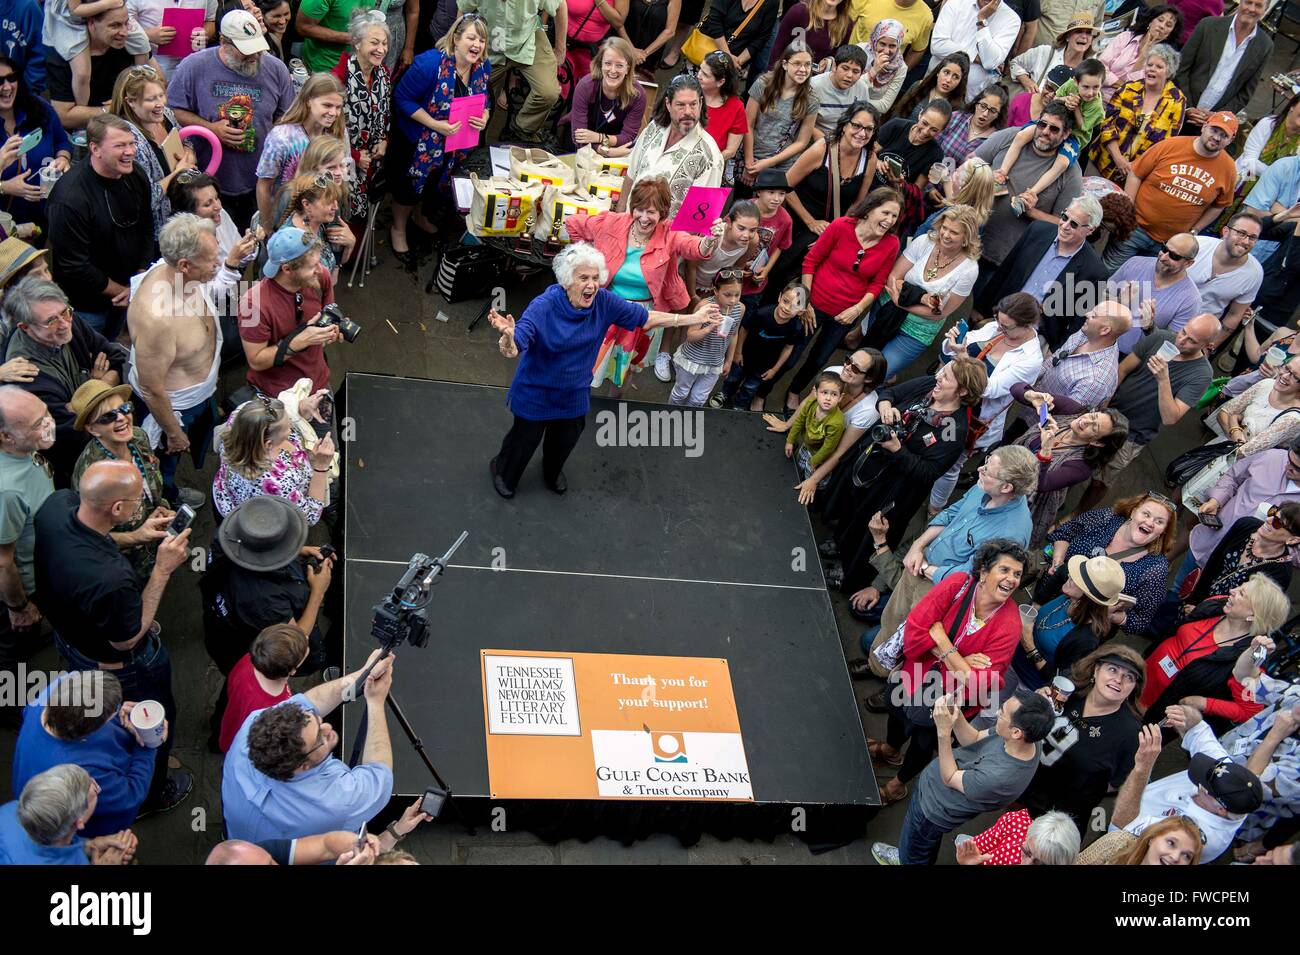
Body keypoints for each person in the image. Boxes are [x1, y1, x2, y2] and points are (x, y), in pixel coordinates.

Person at [487, 243, 720, 498]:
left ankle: (551, 472)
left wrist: (692, 319)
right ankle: (503, 471)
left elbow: (646, 318)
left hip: (573, 391)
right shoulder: (544, 305)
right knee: (524, 440)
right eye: (583, 278)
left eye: (596, 278)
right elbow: (517, 343)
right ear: (567, 281)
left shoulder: (603, 301)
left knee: (564, 440)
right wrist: (509, 340)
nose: (591, 285)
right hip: (536, 390)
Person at [33, 460, 194, 812]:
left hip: (71, 638)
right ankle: (152, 792)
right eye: (136, 502)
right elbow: (129, 638)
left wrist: (135, 536)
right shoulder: (113, 580)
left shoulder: (56, 506)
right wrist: (163, 569)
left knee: (98, 709)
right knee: (149, 720)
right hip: (122, 662)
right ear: (118, 508)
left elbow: (93, 537)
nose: (140, 508)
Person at [869, 540, 1034, 804]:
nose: (1011, 579)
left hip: (948, 697)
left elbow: (983, 685)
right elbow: (915, 631)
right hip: (916, 673)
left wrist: (945, 645)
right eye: (1004, 570)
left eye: (1017, 574)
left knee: (923, 743)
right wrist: (964, 663)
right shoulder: (957, 585)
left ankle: (898, 783)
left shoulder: (1010, 624)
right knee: (897, 712)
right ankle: (890, 750)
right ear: (983, 572)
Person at [822, 357, 987, 595]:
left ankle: (850, 576)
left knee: (871, 532)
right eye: (942, 371)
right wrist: (886, 407)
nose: (938, 377)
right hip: (874, 467)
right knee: (853, 509)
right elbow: (890, 394)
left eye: (946, 376)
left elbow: (928, 473)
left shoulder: (954, 430)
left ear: (962, 390)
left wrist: (898, 450)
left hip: (895, 490)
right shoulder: (930, 385)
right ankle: (840, 543)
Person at [860, 447, 1038, 666]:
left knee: (912, 640)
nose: (979, 469)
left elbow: (969, 575)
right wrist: (918, 546)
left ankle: (888, 680)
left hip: (938, 588)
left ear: (1007, 487)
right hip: (920, 565)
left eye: (987, 470)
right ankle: (877, 663)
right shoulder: (986, 487)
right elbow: (951, 513)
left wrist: (924, 569)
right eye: (986, 462)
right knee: (892, 621)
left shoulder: (1012, 533)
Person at [566, 179, 721, 394]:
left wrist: (712, 239)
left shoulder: (670, 234)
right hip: (606, 308)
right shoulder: (612, 222)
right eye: (639, 210)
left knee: (626, 368)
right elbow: (573, 223)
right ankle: (577, 402)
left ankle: (613, 404)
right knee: (589, 361)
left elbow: (694, 248)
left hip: (643, 316)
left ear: (663, 213)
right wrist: (582, 263)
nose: (644, 217)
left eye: (651, 212)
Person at [222, 650, 394, 841]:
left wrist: (363, 674)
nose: (328, 727)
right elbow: (379, 774)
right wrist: (376, 703)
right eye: (320, 737)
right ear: (302, 765)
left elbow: (312, 701)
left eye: (317, 720)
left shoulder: (253, 725)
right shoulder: (338, 801)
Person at [872, 688, 1055, 865]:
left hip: (933, 809)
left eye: (1002, 713)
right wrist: (956, 713)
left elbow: (949, 778)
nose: (997, 711)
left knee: (915, 849)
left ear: (1016, 733)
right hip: (934, 793)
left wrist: (943, 732)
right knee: (924, 846)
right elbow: (974, 738)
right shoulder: (1026, 739)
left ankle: (906, 860)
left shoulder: (998, 777)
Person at [168, 9, 296, 231]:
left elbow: (288, 117)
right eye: (245, 51)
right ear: (223, 41)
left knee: (255, 241)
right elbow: (174, 111)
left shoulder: (275, 68)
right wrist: (212, 129)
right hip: (209, 181)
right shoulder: (194, 66)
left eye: (257, 49)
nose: (254, 56)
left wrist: (272, 138)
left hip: (260, 181)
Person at [126, 213, 222, 509]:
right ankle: (167, 497)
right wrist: (173, 431)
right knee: (167, 458)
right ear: (184, 265)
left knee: (200, 435)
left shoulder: (185, 275)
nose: (217, 264)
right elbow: (152, 389)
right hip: (176, 406)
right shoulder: (157, 319)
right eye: (212, 260)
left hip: (201, 393)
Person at [1077, 316, 1218, 511]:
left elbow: (1171, 417)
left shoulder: (1202, 374)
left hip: (1134, 434)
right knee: (1077, 458)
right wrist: (1103, 406)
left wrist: (1163, 379)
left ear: (1208, 345)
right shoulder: (1160, 338)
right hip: (1108, 414)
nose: (1181, 340)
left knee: (1101, 480)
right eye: (1184, 331)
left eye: (1192, 340)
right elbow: (1123, 369)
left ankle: (1076, 515)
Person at [0, 278, 127, 486]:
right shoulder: (25, 376)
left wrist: (93, 391)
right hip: (72, 465)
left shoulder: (69, 320)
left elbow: (115, 356)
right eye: (51, 321)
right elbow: (73, 431)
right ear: (24, 327)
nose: (64, 324)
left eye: (66, 311)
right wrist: (99, 385)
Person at [387, 12, 490, 262]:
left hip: (455, 143)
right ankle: (398, 227)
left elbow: (485, 97)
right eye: (471, 38)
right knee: (410, 188)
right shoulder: (429, 64)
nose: (477, 45)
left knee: (435, 185)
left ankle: (419, 215)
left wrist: (485, 115)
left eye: (482, 40)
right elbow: (402, 98)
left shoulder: (483, 66)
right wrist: (435, 124)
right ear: (456, 37)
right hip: (419, 142)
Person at [928, 293, 1044, 512]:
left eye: (1007, 327)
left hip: (969, 418)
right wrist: (950, 344)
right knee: (926, 439)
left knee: (950, 463)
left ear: (1027, 325)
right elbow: (956, 349)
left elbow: (988, 388)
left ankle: (935, 508)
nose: (999, 329)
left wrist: (962, 358)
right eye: (998, 321)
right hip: (942, 398)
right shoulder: (995, 327)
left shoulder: (1030, 359)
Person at [784, 188, 899, 409]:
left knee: (818, 359)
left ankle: (794, 391)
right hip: (814, 305)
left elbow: (877, 283)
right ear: (869, 209)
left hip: (844, 316)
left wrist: (857, 309)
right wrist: (805, 300)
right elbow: (810, 262)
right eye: (885, 213)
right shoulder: (841, 226)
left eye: (894, 216)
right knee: (791, 354)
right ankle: (762, 391)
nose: (889, 220)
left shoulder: (891, 244)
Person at [45, 114, 155, 340]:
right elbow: (75, 265)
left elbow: (146, 226)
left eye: (132, 143)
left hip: (130, 290)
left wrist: (139, 279)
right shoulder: (69, 199)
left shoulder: (135, 175)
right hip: (88, 306)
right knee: (89, 360)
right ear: (95, 149)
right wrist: (124, 291)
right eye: (120, 146)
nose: (130, 151)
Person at [1111, 702, 1264, 862]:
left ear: (1220, 809)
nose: (1200, 782)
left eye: (1205, 786)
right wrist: (1185, 715)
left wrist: (1142, 768)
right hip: (1138, 798)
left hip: (1125, 847)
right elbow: (1197, 728)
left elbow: (1123, 825)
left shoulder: (1201, 835)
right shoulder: (1225, 773)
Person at [11, 671, 157, 835]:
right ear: (90, 731)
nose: (119, 710)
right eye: (114, 711)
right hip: (93, 828)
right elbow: (130, 795)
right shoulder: (81, 772)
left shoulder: (46, 700)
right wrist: (148, 743)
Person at [1142, 581, 1288, 731]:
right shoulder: (1215, 604)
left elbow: (1249, 711)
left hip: (1156, 712)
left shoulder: (1250, 657)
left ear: (1253, 615)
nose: (1232, 590)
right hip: (1138, 677)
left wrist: (1203, 703)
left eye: (1242, 593)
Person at [68, 380, 173, 583]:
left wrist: (161, 508)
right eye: (108, 417)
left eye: (125, 408)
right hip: (126, 560)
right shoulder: (93, 477)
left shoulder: (139, 438)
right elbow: (90, 537)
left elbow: (152, 476)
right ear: (93, 429)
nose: (122, 418)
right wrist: (137, 537)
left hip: (155, 540)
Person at [1102, 117, 1239, 271]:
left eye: (1224, 135)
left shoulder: (1229, 169)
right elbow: (1136, 173)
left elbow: (1220, 205)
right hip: (1135, 228)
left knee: (1142, 283)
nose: (1216, 137)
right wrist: (1128, 209)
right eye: (1214, 130)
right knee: (1107, 272)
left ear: (1230, 140)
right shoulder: (1172, 145)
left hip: (1171, 244)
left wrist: (1195, 230)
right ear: (1204, 127)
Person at [971, 101, 1081, 285]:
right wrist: (986, 176)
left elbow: (1065, 224)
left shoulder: (1070, 173)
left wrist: (1033, 213)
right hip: (967, 238)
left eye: (1054, 129)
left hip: (1004, 260)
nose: (1045, 131)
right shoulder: (1012, 137)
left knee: (979, 311)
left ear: (1066, 134)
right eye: (1042, 124)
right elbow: (970, 163)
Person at [976, 194, 1104, 351]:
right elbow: (1005, 269)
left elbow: (1079, 321)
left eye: (1074, 224)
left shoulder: (1095, 271)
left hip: (1034, 339)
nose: (1064, 226)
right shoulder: (1038, 230)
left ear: (1090, 229)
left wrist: (1056, 350)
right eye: (1064, 217)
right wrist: (980, 308)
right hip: (998, 318)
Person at [762, 347, 887, 503]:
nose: (847, 367)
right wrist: (787, 425)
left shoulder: (868, 410)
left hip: (829, 454)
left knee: (813, 489)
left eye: (855, 368)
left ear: (868, 379)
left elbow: (841, 451)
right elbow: (809, 402)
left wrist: (814, 479)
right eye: (848, 360)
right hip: (811, 441)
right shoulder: (834, 373)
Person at [776, 103, 878, 294]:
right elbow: (785, 185)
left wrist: (835, 232)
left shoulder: (869, 158)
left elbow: (858, 203)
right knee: (780, 274)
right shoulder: (821, 149)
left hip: (830, 229)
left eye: (869, 129)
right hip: (798, 222)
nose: (862, 133)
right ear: (845, 124)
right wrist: (811, 222)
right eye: (857, 126)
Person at [870, 203, 981, 378]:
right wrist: (923, 298)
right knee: (863, 362)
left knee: (878, 374)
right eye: (944, 227)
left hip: (917, 330)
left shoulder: (969, 270)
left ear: (966, 238)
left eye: (954, 232)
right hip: (886, 310)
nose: (945, 234)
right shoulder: (924, 242)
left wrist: (901, 301)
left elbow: (939, 313)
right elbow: (893, 278)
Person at [1044, 493, 1176, 636]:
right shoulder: (1107, 518)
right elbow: (1066, 531)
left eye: (1159, 522)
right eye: (1146, 514)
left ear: (1163, 532)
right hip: (1050, 591)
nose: (1150, 523)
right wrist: (1058, 560)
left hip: (1079, 627)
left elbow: (1141, 621)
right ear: (1133, 511)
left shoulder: (1156, 568)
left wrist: (1111, 615)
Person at [0, 385, 53, 730]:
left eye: (45, 413)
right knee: (10, 651)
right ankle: (11, 710)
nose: (49, 424)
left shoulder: (25, 450)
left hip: (40, 570)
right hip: (19, 588)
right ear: (6, 436)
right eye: (37, 423)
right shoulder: (6, 491)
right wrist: (19, 607)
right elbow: (2, 561)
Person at [238, 226, 343, 398]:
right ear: (287, 269)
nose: (320, 269)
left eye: (319, 262)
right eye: (312, 266)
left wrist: (331, 329)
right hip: (280, 395)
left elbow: (329, 312)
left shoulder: (320, 276)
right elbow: (256, 361)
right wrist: (300, 341)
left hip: (318, 383)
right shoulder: (251, 304)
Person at [1014, 406, 1129, 548]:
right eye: (1092, 416)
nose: (1086, 421)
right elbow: (1019, 391)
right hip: (1006, 468)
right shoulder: (1072, 411)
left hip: (1022, 499)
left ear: (1097, 442)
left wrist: (1046, 449)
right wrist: (1035, 397)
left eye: (1094, 428)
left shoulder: (1082, 467)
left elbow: (1041, 484)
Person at [213, 393, 335, 524]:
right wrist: (321, 467)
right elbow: (310, 516)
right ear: (268, 445)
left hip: (225, 495)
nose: (291, 425)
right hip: (255, 522)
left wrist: (301, 408)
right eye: (287, 426)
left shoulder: (242, 418)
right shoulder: (276, 484)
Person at [107, 63, 196, 240]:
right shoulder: (130, 143)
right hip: (153, 235)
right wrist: (179, 172)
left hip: (180, 218)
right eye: (151, 99)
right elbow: (147, 199)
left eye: (161, 95)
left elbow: (186, 139)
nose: (160, 104)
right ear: (130, 102)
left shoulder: (167, 115)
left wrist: (189, 154)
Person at [1173, 503, 1299, 623]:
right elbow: (1213, 563)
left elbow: (1247, 607)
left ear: (1293, 539)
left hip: (1218, 618)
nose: (1268, 520)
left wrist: (1202, 611)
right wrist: (1195, 601)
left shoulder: (1280, 574)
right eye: (1272, 512)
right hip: (1197, 598)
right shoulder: (1246, 525)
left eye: (1277, 523)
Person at [456, 0, 559, 144]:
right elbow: (462, 10)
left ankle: (522, 129)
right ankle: (467, 144)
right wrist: (461, 46)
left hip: (528, 39)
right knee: (470, 93)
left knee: (548, 92)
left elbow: (560, 7)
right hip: (490, 43)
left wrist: (560, 48)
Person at [621, 73, 722, 219]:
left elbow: (697, 222)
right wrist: (617, 223)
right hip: (629, 229)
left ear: (701, 103)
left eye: (693, 104)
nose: (688, 112)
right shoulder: (654, 128)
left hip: (668, 240)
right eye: (680, 105)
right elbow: (630, 177)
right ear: (668, 104)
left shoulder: (711, 155)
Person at [1013, 560, 1125, 688]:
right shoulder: (1069, 598)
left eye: (1077, 578)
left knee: (993, 705)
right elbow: (1060, 572)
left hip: (1024, 686)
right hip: (1008, 660)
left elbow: (1061, 681)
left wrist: (1030, 647)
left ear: (1088, 595)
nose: (1069, 576)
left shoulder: (1086, 640)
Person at [254, 74, 345, 227]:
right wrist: (268, 227)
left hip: (322, 221)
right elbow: (263, 186)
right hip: (286, 221)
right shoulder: (282, 137)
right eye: (327, 105)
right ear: (308, 100)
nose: (334, 113)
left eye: (338, 107)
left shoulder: (335, 133)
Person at [0, 764, 137, 865]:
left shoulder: (11, 810)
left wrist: (89, 845)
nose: (95, 784)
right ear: (79, 820)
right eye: (94, 791)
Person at [329, 10, 391, 228]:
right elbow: (329, 129)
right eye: (374, 42)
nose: (381, 49)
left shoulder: (383, 74)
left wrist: (384, 140)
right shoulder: (339, 77)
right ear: (356, 42)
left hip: (372, 160)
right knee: (344, 216)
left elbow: (385, 114)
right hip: (345, 163)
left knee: (364, 217)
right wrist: (354, 155)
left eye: (384, 43)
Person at [43, 7, 151, 131]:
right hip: (84, 135)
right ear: (91, 23)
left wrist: (134, 97)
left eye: (126, 23)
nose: (124, 32)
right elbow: (64, 116)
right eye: (115, 26)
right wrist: (112, 109)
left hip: (129, 128)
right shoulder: (64, 56)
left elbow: (157, 80)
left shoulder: (130, 44)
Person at [1091, 47, 1185, 190]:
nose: (1151, 69)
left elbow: (1165, 145)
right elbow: (1107, 125)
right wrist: (1119, 159)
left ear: (1169, 71)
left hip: (1135, 175)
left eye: (1159, 66)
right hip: (1102, 161)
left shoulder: (1177, 101)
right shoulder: (1128, 88)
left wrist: (1135, 168)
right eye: (1149, 65)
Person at [1175, 0, 1272, 135]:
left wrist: (1217, 117)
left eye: (1258, 5)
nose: (1251, 9)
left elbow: (1246, 93)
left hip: (1210, 127)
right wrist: (1188, 106)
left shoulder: (1265, 46)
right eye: (1248, 2)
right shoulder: (1208, 25)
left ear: (1265, 10)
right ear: (1240, 3)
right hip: (1177, 110)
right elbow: (1181, 68)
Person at [0, 55, 72, 231]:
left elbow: (62, 141)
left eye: (12, 78)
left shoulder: (38, 107)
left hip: (43, 216)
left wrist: (63, 158)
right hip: (4, 226)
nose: (7, 87)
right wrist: (4, 187)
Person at [716, 280, 810, 412]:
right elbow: (744, 330)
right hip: (745, 356)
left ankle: (740, 404)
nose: (787, 308)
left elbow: (788, 348)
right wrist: (738, 352)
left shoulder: (796, 328)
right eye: (786, 301)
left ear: (801, 311)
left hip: (765, 365)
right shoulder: (762, 313)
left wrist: (775, 370)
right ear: (779, 297)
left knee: (750, 387)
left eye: (794, 306)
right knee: (733, 378)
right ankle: (724, 394)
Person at [740, 42, 819, 192]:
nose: (803, 69)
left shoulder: (811, 99)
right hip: (752, 156)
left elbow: (802, 142)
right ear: (784, 64)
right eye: (797, 64)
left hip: (782, 163)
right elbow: (747, 124)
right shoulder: (763, 84)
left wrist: (768, 162)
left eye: (807, 65)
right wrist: (749, 163)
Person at [1111, 234, 1204, 353]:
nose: (1163, 257)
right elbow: (1101, 295)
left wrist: (1149, 327)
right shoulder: (1135, 263)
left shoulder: (1190, 300)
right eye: (1164, 249)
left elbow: (1171, 346)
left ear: (1188, 263)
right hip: (1101, 337)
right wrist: (1119, 303)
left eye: (1174, 256)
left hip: (1131, 358)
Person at [870, 99, 947, 234]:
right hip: (867, 187)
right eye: (924, 123)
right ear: (920, 114)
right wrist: (877, 162)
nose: (925, 132)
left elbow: (917, 189)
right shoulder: (897, 126)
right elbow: (869, 151)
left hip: (891, 202)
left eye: (934, 130)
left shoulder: (935, 153)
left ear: (941, 130)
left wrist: (900, 183)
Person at [668, 269, 744, 408]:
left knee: (698, 399)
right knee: (681, 393)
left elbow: (734, 334)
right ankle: (671, 413)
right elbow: (690, 336)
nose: (733, 300)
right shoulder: (705, 307)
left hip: (714, 363)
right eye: (727, 295)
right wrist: (709, 328)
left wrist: (728, 360)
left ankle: (688, 418)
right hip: (692, 360)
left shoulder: (740, 309)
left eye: (737, 295)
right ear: (715, 290)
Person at [1192, 213, 1264, 351]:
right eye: (1241, 233)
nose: (1246, 241)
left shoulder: (1255, 273)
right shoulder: (1198, 245)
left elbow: (1234, 315)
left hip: (1198, 333)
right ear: (1225, 231)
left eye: (1253, 237)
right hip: (1163, 315)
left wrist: (1210, 348)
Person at [928, 0, 1021, 101]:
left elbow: (990, 62)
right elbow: (937, 45)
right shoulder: (956, 2)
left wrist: (982, 21)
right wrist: (975, 57)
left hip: (967, 98)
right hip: (932, 87)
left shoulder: (1012, 19)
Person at [567, 36, 644, 156]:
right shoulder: (586, 86)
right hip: (579, 148)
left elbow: (628, 137)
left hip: (618, 149)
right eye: (608, 63)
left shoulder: (637, 94)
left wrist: (599, 138)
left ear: (628, 69)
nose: (613, 70)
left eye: (619, 65)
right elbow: (578, 138)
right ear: (601, 64)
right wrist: (606, 151)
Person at [1097, 4, 1181, 101]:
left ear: (1169, 34)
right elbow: (1100, 66)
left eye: (1168, 25)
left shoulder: (1163, 59)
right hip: (1098, 94)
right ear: (1150, 21)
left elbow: (1141, 90)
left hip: (1126, 106)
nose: (1162, 26)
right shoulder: (1125, 37)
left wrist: (1143, 56)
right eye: (1160, 20)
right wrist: (1121, 85)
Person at [736, 169, 792, 311]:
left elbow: (781, 246)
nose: (777, 198)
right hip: (732, 273)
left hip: (755, 282)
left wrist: (766, 269)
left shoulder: (785, 219)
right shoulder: (743, 208)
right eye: (771, 192)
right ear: (759, 192)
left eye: (782, 194)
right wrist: (736, 267)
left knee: (745, 318)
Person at [1008, 12, 1099, 97]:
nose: (1084, 36)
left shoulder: (1090, 70)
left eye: (1088, 33)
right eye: (1078, 31)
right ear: (1067, 36)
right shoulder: (1045, 52)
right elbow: (1015, 63)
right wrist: (1026, 80)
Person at [955, 808, 1080, 865]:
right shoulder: (1014, 824)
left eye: (1039, 863)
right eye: (1026, 851)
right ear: (1027, 834)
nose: (1026, 863)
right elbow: (977, 847)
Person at [697, 50, 746, 181]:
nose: (699, 75)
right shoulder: (689, 91)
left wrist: (706, 162)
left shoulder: (736, 107)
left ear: (720, 82)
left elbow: (731, 150)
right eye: (700, 69)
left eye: (705, 75)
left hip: (709, 170)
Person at [785, 371, 844, 477]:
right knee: (798, 470)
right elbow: (799, 422)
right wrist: (790, 440)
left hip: (820, 457)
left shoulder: (836, 422)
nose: (828, 398)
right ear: (816, 393)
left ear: (840, 397)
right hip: (806, 446)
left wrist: (814, 462)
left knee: (810, 477)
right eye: (824, 392)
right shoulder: (810, 404)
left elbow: (828, 447)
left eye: (834, 394)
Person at [695, 0, 780, 74]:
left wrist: (738, 62)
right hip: (702, 55)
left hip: (733, 67)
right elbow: (714, 20)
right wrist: (727, 58)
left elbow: (761, 38)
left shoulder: (772, 2)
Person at [849, 0, 933, 73]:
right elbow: (845, 22)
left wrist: (898, 73)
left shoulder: (926, 16)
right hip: (851, 65)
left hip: (882, 77)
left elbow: (918, 50)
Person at [933, 85, 1005, 168]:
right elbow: (933, 144)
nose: (985, 114)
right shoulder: (956, 118)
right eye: (983, 106)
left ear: (998, 115)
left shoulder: (995, 140)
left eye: (993, 110)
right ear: (976, 104)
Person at [769, 0, 851, 70]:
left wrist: (830, 60)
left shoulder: (846, 24)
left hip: (815, 82)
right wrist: (772, 73)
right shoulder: (799, 11)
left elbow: (839, 57)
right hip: (786, 74)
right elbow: (778, 47)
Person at [808, 45, 870, 137]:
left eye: (855, 72)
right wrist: (823, 140)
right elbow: (800, 121)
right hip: (817, 137)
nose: (849, 75)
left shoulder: (862, 88)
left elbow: (864, 118)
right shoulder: (814, 86)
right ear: (834, 67)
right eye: (845, 68)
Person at [888, 53, 967, 123]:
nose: (948, 80)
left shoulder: (958, 109)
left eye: (955, 77)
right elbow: (897, 114)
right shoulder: (919, 86)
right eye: (946, 72)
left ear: (960, 82)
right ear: (938, 72)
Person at [856, 22, 907, 115]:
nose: (886, 51)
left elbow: (884, 106)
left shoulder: (900, 67)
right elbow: (850, 86)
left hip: (870, 114)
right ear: (875, 40)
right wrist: (873, 71)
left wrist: (855, 100)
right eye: (882, 44)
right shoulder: (860, 50)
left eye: (892, 46)